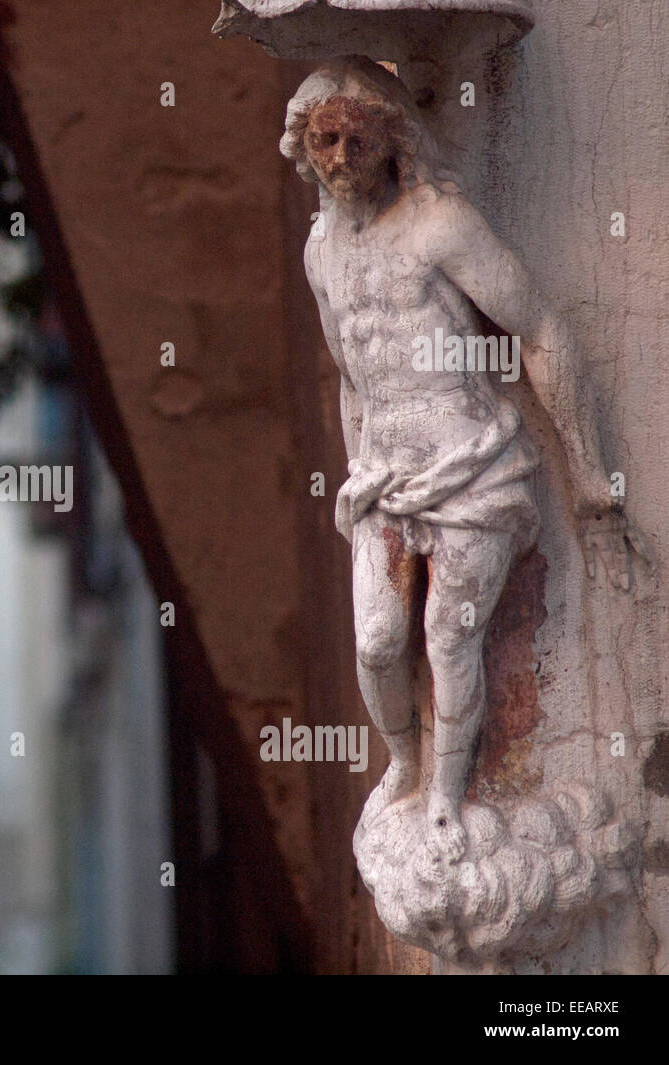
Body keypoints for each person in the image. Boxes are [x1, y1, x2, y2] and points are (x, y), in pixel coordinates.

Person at [283, 56, 649, 860]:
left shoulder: (438, 224)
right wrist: (356, 475)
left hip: (470, 461)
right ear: (303, 148)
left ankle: (446, 795)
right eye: (323, 141)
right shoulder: (321, 251)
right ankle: (405, 764)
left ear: (392, 140)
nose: (339, 158)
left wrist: (589, 473)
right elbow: (350, 376)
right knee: (377, 642)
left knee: (450, 636)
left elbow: (539, 327)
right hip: (385, 476)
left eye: (355, 139)